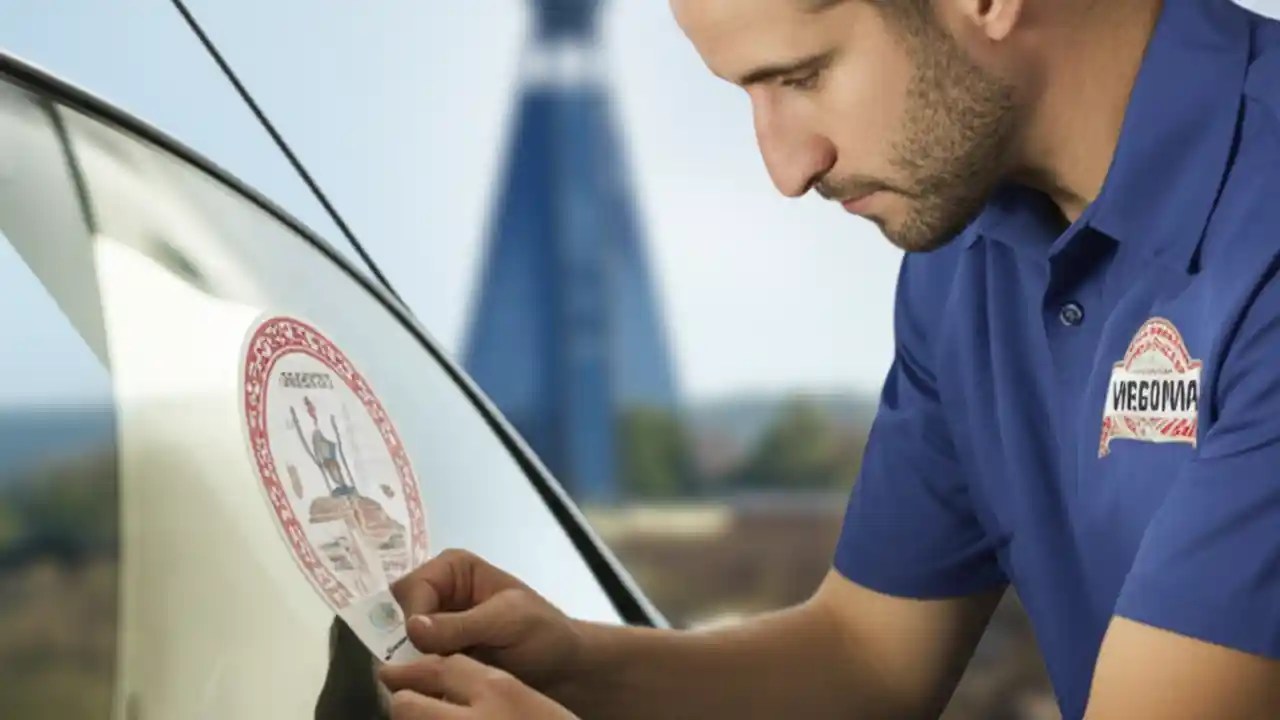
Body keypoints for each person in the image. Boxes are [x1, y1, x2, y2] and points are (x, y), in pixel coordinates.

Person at [378, 0, 1280, 717]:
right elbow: (869, 658)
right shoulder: (966, 251)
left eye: (802, 76)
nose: (786, 166)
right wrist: (576, 668)